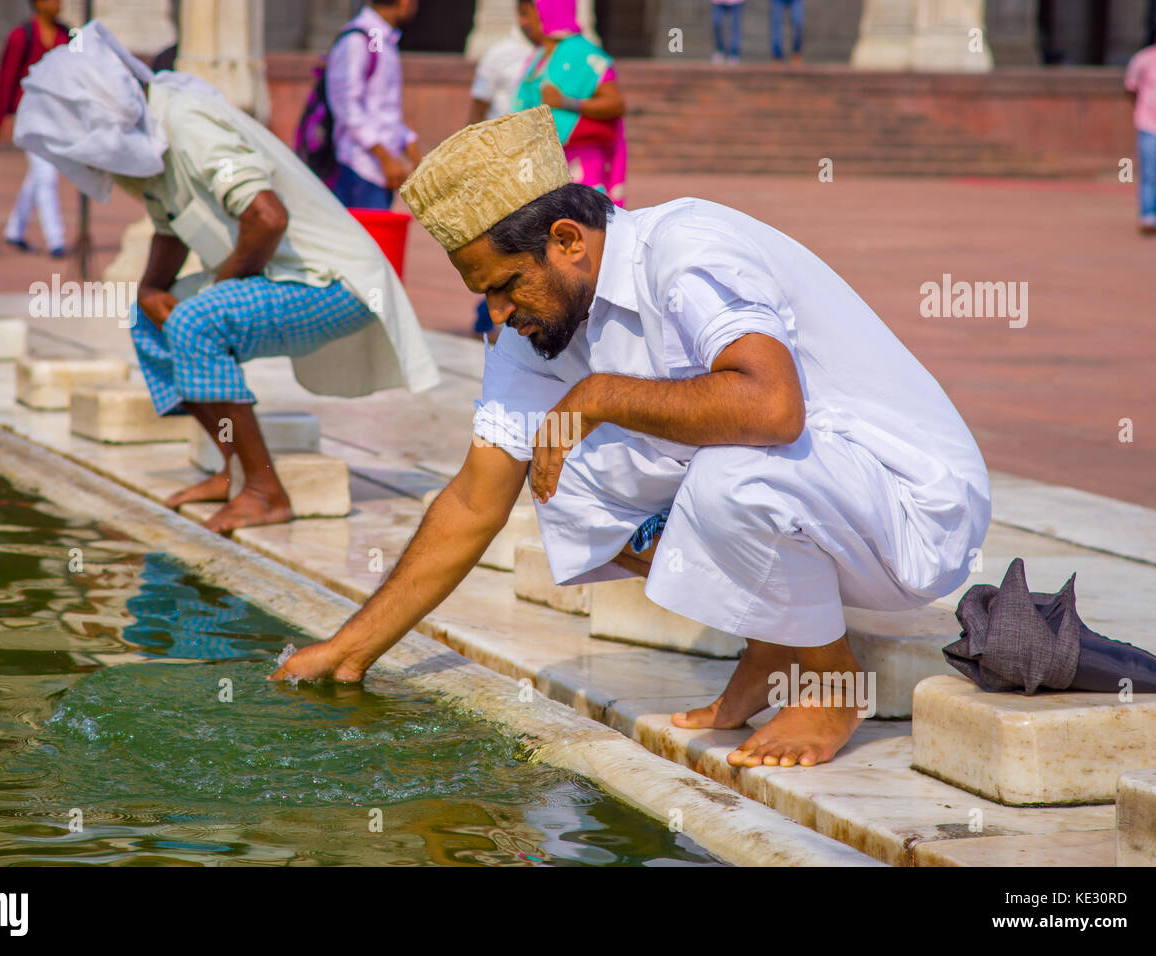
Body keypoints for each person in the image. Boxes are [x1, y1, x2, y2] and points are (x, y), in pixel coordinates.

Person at [272, 107, 991, 771]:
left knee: (729, 474)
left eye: (506, 285)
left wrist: (601, 395)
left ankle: (829, 680)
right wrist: (347, 650)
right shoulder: (535, 331)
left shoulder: (683, 248)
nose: (497, 311)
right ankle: (777, 644)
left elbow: (774, 409)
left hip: (910, 509)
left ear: (566, 241)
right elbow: (471, 500)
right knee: (565, 482)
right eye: (482, 295)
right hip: (820, 504)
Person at [14, 21, 440, 535]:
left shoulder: (186, 122)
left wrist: (219, 290)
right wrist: (150, 289)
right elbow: (168, 226)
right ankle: (233, 469)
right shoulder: (153, 132)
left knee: (198, 320)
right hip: (292, 278)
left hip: (335, 284)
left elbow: (267, 216)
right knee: (150, 317)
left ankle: (265, 492)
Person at [513, 0, 627, 208]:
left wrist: (566, 102)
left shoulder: (583, 53)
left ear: (548, 10)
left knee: (583, 229)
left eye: (526, 13)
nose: (522, 22)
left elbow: (615, 103)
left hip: (578, 166)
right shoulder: (539, 56)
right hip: (543, 165)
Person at [469, 24, 535, 337]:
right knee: (499, 243)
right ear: (524, 12)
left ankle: (507, 320)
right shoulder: (499, 55)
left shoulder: (553, 56)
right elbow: (478, 107)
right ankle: (487, 321)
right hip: (500, 166)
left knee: (526, 245)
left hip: (535, 166)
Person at [325, 0, 423, 210]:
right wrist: (384, 157)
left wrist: (409, 143)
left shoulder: (380, 38)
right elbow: (346, 107)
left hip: (380, 170)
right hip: (359, 166)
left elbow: (381, 106)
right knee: (360, 240)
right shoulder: (357, 39)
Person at [0, 0, 70, 257]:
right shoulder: (21, 35)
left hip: (56, 118)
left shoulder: (67, 35)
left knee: (37, 175)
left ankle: (15, 229)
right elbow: (7, 77)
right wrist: (2, 116)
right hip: (28, 117)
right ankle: (56, 239)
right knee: (46, 174)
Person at [1124, 17, 1156, 235]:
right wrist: (1143, 110)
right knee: (1150, 172)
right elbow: (1131, 87)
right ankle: (1148, 215)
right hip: (1150, 124)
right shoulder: (1144, 59)